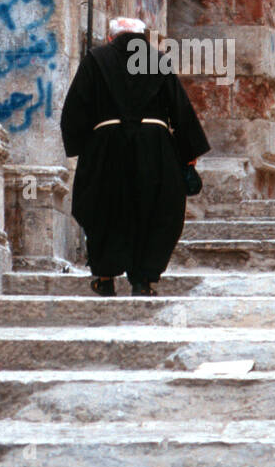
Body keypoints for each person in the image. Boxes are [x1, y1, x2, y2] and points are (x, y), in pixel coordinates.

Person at [60, 16, 210, 296]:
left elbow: (75, 110)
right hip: (156, 149)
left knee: (105, 208)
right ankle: (143, 279)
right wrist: (188, 157)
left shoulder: (96, 59)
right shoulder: (158, 60)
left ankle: (105, 277)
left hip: (106, 147)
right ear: (144, 38)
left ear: (111, 38)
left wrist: (86, 148)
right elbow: (180, 111)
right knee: (155, 210)